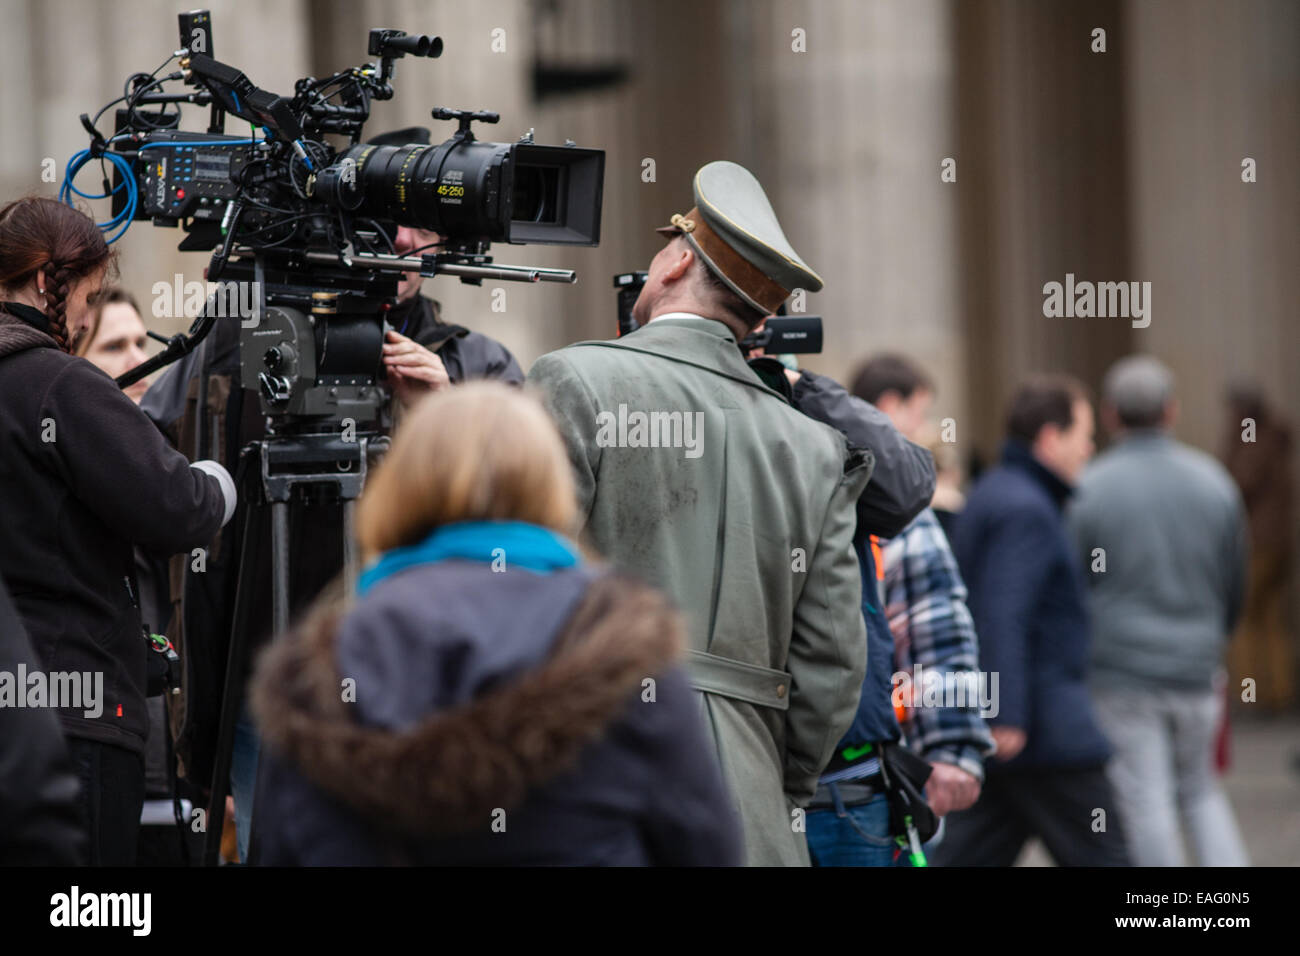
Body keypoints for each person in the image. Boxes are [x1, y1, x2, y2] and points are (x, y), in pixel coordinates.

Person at [530, 161, 906, 865]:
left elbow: (518, 594)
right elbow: (831, 665)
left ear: (674, 263)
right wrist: (774, 783)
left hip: (591, 794)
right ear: (758, 316)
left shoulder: (571, 379)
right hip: (748, 820)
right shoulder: (816, 447)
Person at [251, 382, 742, 865]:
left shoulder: (317, 668)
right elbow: (706, 847)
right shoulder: (621, 646)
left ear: (397, 484)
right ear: (551, 485)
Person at [0, 197, 236, 864]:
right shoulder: (58, 383)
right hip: (78, 719)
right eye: (92, 295)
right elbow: (172, 505)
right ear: (53, 282)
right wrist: (219, 482)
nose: (86, 314)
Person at [800, 353, 989, 867]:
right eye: (920, 412)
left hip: (837, 777)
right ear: (887, 407)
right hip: (854, 783)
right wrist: (953, 748)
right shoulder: (896, 501)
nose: (923, 428)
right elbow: (936, 631)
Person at [935, 374, 1128, 866]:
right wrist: (1007, 713)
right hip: (1045, 732)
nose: (1089, 448)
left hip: (1024, 732)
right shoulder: (1025, 508)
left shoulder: (1004, 492)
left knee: (967, 854)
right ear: (1049, 436)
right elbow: (1003, 612)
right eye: (1082, 434)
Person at [1070, 356, 1250, 866]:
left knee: (1146, 798)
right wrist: (1214, 638)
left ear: (1109, 415)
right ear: (1171, 411)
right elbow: (1234, 580)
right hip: (1197, 668)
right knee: (1202, 792)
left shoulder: (1090, 488)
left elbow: (1074, 585)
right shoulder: (1215, 483)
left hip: (1121, 674)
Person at [1222, 384, 1295, 713]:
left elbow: (1238, 481)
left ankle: (1251, 694)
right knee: (1269, 619)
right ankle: (1277, 691)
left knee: (1246, 619)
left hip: (1258, 542)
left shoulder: (1253, 439)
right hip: (1277, 542)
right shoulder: (1273, 440)